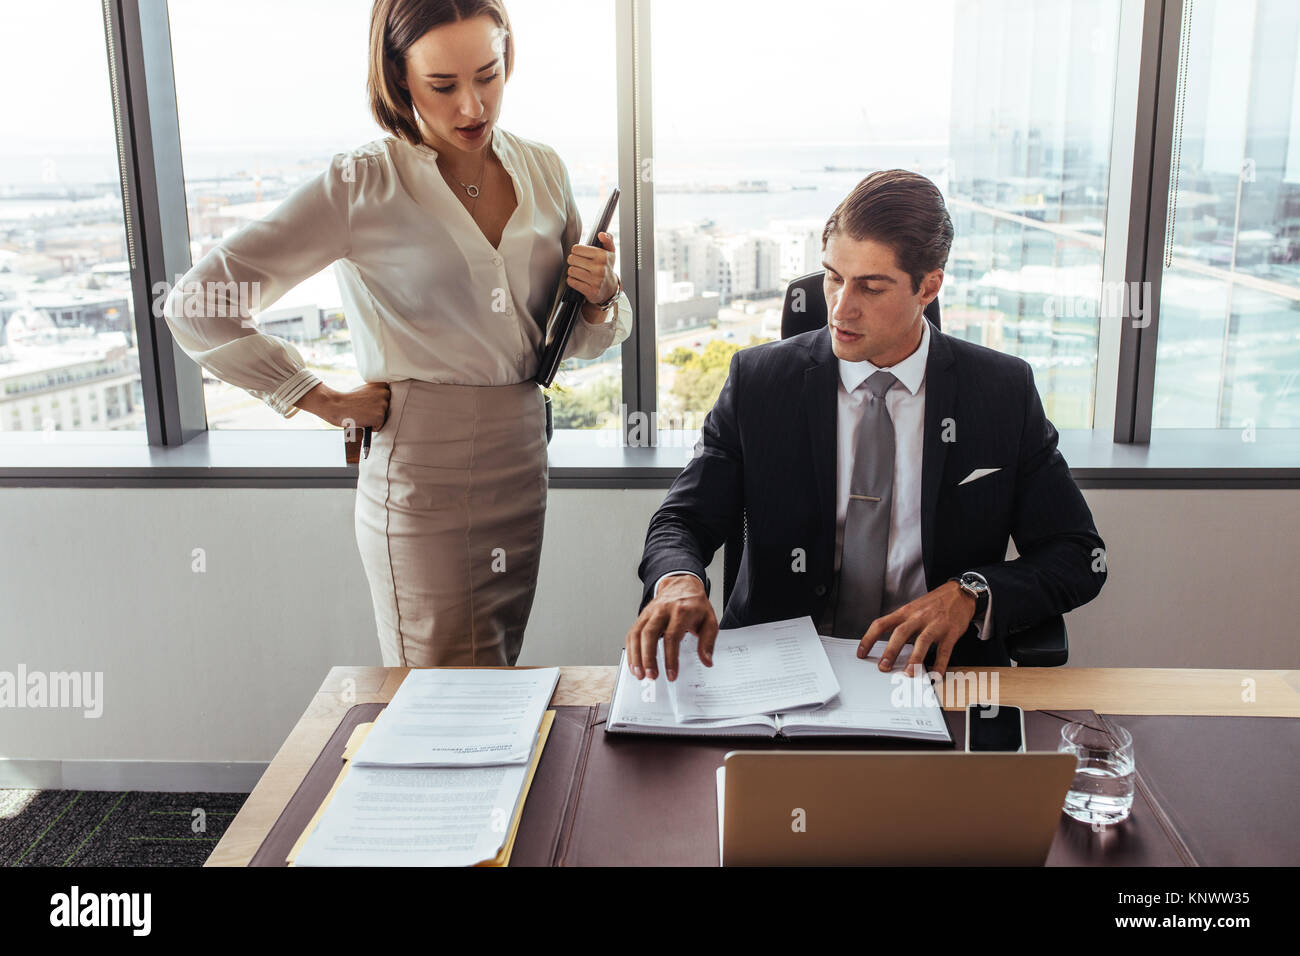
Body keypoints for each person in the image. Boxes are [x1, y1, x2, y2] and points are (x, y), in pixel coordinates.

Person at [163, 0, 631, 667]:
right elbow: (197, 302)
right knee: (439, 691)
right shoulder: (361, 184)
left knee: (495, 674)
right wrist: (314, 395)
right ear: (397, 77)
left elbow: (572, 342)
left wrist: (599, 295)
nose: (472, 107)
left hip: (522, 455)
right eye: (443, 86)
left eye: (488, 76)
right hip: (423, 474)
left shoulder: (543, 170)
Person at [626, 169, 1105, 681]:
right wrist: (679, 580)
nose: (840, 308)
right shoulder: (760, 382)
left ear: (929, 287)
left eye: (871, 288)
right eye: (833, 277)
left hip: (932, 674)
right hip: (779, 676)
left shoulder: (1001, 391)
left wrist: (972, 592)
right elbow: (683, 520)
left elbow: (1078, 554)